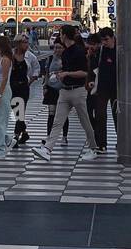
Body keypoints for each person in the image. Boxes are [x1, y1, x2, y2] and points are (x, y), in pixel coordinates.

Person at [32, 25, 99, 161]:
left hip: (78, 92)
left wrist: (67, 73)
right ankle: (47, 149)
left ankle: (93, 148)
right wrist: (60, 74)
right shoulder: (66, 52)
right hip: (64, 91)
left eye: (61, 33)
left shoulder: (79, 51)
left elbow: (84, 73)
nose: (60, 36)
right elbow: (66, 70)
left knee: (85, 121)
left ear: (65, 35)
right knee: (57, 121)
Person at [93, 27, 117, 152]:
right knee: (100, 115)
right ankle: (101, 144)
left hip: (117, 87)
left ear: (113, 38)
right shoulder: (101, 50)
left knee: (118, 115)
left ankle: (122, 140)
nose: (104, 42)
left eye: (106, 40)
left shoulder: (120, 49)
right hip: (102, 87)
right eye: (102, 40)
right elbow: (96, 66)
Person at [42, 37, 68, 145]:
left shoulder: (67, 59)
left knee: (63, 114)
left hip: (63, 89)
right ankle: (49, 136)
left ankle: (64, 137)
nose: (57, 50)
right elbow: (47, 73)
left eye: (60, 48)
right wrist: (45, 86)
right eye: (56, 47)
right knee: (51, 113)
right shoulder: (50, 58)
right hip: (51, 89)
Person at [9, 41, 32, 147]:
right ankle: (25, 133)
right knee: (17, 112)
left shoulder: (29, 56)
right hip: (13, 88)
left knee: (20, 111)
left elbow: (36, 68)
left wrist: (31, 79)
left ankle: (16, 137)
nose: (27, 46)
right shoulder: (11, 57)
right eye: (24, 43)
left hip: (23, 87)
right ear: (18, 45)